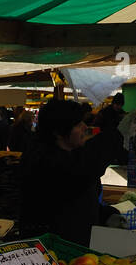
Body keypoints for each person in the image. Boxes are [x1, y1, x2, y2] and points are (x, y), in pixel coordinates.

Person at [19, 98, 124, 245]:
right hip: (51, 250)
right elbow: (77, 178)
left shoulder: (70, 155)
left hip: (77, 249)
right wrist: (118, 135)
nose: (84, 127)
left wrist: (105, 215)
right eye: (77, 124)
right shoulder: (44, 160)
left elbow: (78, 201)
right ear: (58, 132)